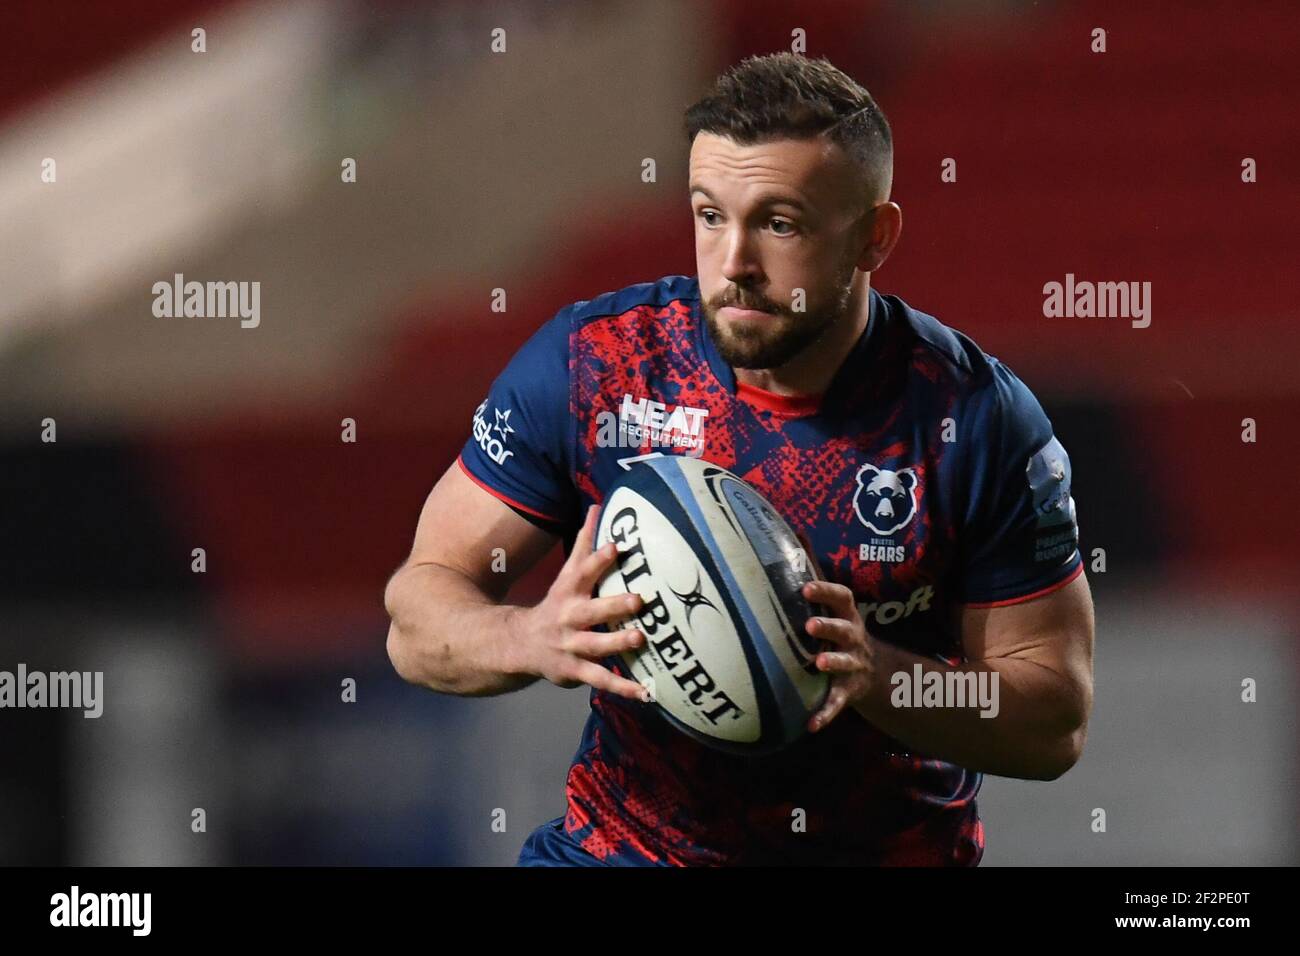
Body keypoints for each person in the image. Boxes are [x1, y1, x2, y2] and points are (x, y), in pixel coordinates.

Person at [385, 52, 1094, 866]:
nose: (734, 263)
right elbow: (417, 615)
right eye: (709, 215)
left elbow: (1055, 721)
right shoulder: (599, 368)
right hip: (626, 852)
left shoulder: (971, 420)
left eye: (779, 223)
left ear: (874, 236)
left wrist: (881, 676)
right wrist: (533, 637)